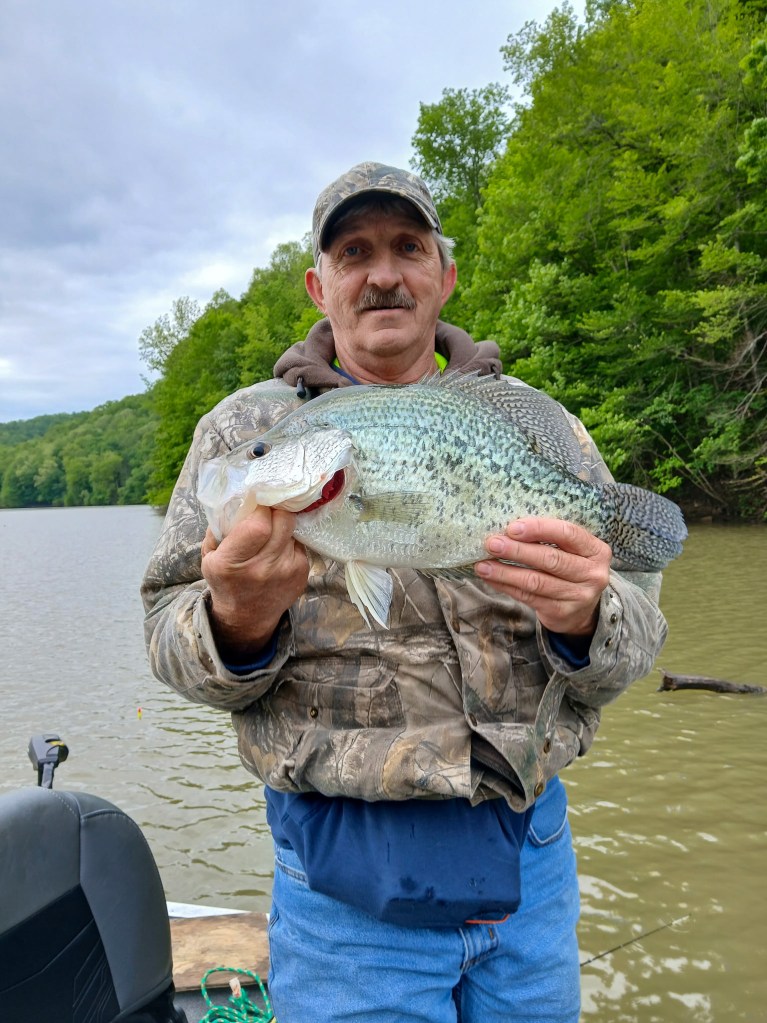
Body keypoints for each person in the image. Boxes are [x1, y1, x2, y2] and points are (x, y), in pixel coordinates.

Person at [142, 162, 669, 1023]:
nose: (382, 271)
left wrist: (585, 619)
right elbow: (168, 637)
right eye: (354, 251)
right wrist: (233, 622)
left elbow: (639, 637)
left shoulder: (538, 423)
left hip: (529, 863)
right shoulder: (244, 434)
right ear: (320, 284)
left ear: (444, 274)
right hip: (343, 887)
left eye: (407, 247)